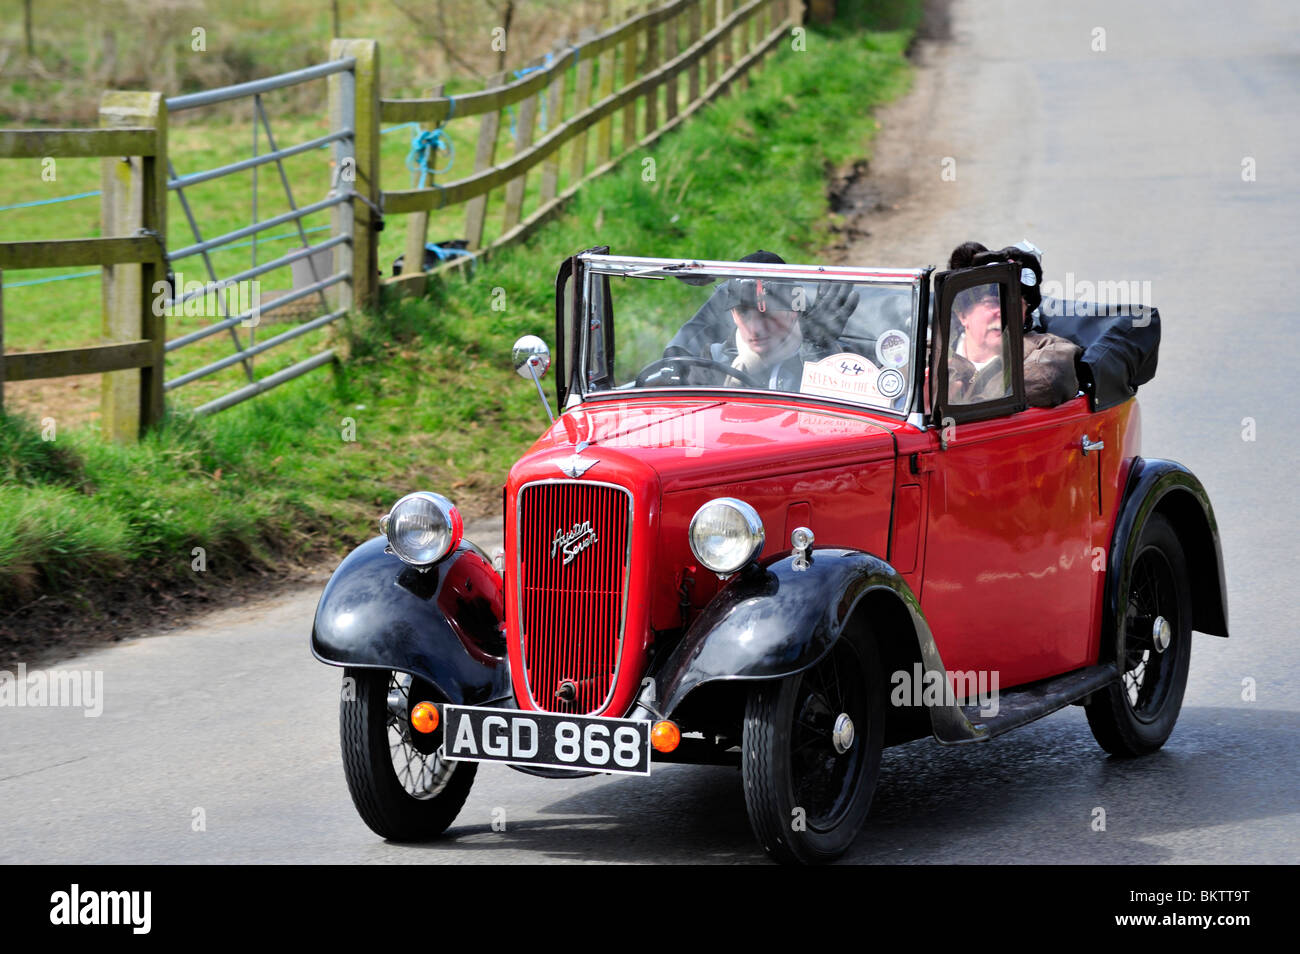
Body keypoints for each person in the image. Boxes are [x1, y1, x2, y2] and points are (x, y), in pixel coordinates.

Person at [661, 250, 860, 391]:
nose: (756, 329)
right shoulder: (709, 363)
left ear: (792, 312)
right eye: (745, 313)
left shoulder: (839, 359)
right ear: (733, 315)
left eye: (767, 313)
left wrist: (817, 351)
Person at [946, 241, 1082, 408]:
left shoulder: (1048, 348)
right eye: (991, 303)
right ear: (963, 314)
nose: (1003, 312)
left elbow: (1050, 381)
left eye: (1014, 303)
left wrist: (963, 401)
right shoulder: (930, 353)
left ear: (1025, 314)